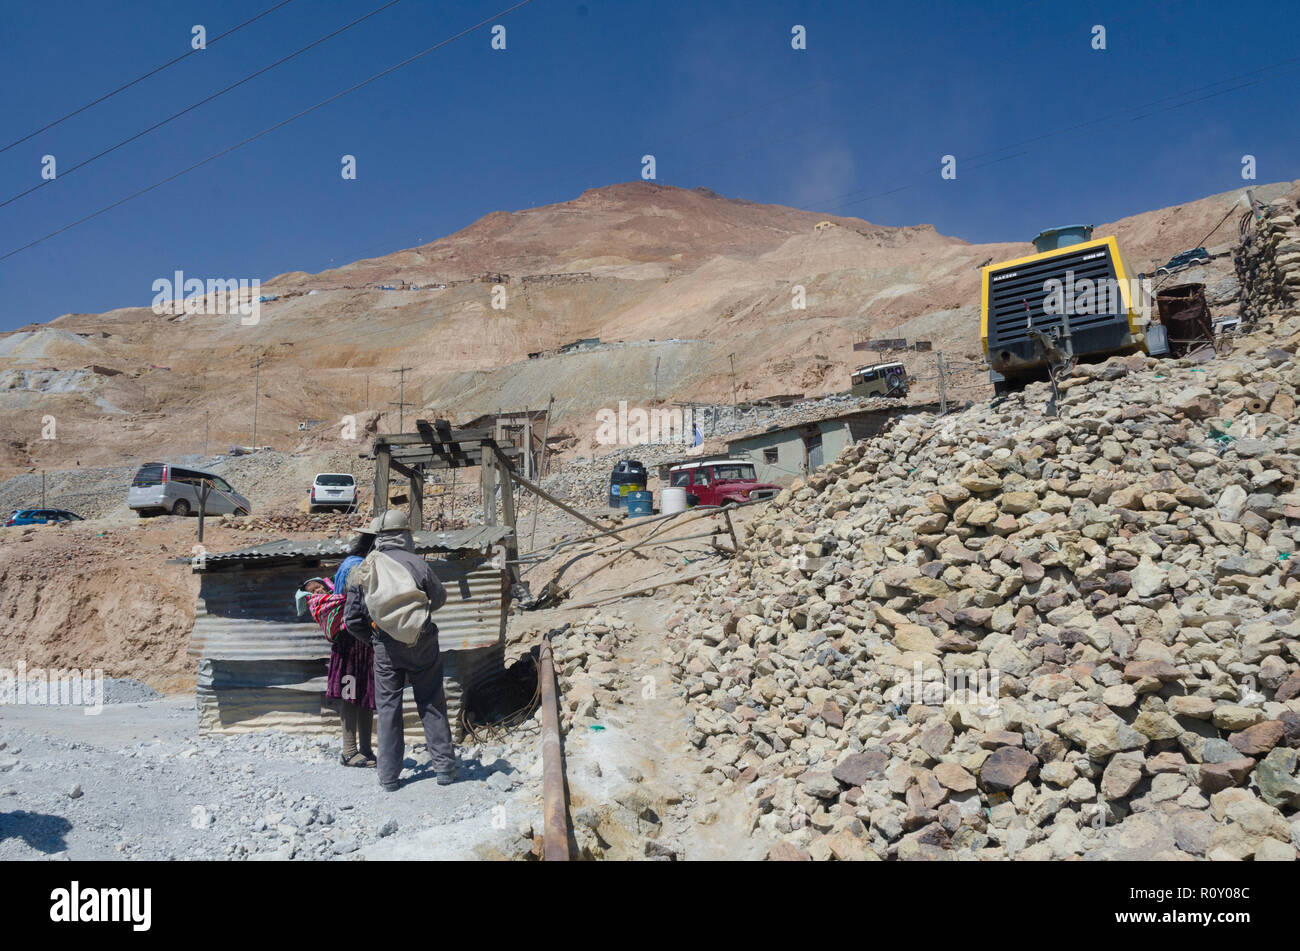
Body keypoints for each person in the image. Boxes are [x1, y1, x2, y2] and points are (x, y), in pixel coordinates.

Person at [343, 510, 458, 791]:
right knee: (431, 701)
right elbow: (439, 597)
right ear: (405, 535)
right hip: (422, 641)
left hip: (385, 648)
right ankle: (443, 768)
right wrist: (414, 620)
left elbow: (352, 619)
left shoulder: (365, 569)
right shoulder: (416, 563)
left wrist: (376, 640)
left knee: (388, 709)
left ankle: (389, 777)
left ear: (379, 538)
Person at [298, 569, 376, 767]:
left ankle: (366, 750)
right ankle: (349, 751)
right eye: (312, 591)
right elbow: (334, 612)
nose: (317, 592)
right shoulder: (323, 603)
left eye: (318, 587)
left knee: (367, 697)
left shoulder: (338, 591)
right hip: (346, 653)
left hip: (365, 650)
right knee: (349, 698)